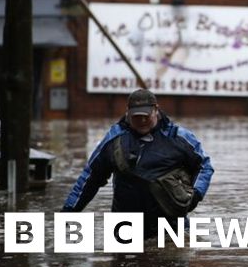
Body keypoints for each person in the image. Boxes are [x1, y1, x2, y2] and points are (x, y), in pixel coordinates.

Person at [63, 89, 213, 237]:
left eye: (145, 116)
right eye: (137, 117)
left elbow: (204, 166)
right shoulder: (114, 140)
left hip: (171, 225)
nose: (141, 121)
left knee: (172, 255)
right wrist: (68, 213)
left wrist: (196, 195)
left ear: (156, 110)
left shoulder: (179, 137)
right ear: (127, 112)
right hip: (126, 226)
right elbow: (90, 179)